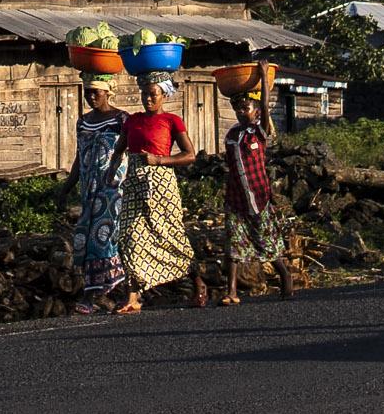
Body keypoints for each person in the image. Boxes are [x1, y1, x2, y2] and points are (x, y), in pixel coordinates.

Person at [111, 75, 205, 313]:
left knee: (171, 235)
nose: (148, 98)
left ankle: (197, 282)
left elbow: (190, 155)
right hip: (134, 185)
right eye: (145, 94)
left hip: (161, 184)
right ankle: (132, 297)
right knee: (130, 237)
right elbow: (119, 149)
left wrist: (159, 160)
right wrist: (110, 173)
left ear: (164, 95)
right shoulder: (133, 121)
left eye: (153, 94)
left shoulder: (172, 121)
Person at [61, 77, 128, 312]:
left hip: (112, 188)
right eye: (87, 92)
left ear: (108, 93)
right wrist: (67, 185)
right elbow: (80, 157)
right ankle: (114, 289)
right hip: (88, 189)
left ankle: (91, 295)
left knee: (104, 236)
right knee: (86, 236)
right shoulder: (83, 122)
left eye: (96, 92)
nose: (91, 97)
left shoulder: (121, 120)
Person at [222, 83, 293, 304]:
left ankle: (286, 279)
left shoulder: (259, 133)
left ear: (257, 112)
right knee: (233, 244)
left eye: (246, 108)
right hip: (236, 198)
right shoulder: (232, 135)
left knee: (267, 241)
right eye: (239, 109)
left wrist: (263, 78)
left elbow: (265, 105)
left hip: (259, 197)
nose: (242, 112)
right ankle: (231, 292)